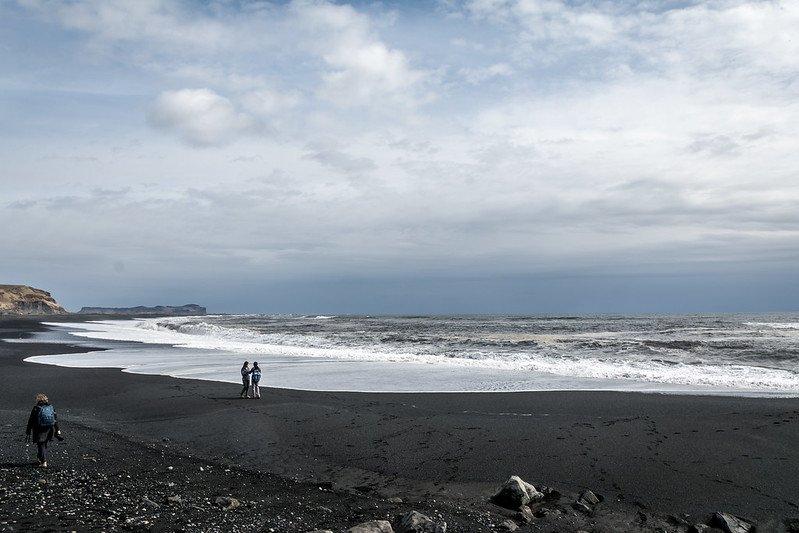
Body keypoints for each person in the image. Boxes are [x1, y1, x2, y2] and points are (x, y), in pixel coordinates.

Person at [25, 393, 63, 468]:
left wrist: (28, 431)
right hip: (49, 429)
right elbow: (55, 419)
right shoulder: (50, 407)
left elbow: (31, 420)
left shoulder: (36, 408)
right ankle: (40, 458)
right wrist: (57, 429)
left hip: (39, 430)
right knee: (44, 444)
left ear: (38, 400)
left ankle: (43, 462)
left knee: (40, 445)